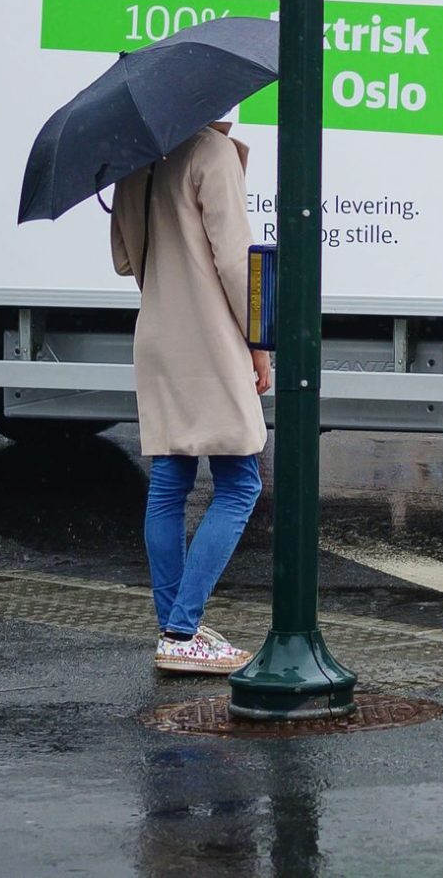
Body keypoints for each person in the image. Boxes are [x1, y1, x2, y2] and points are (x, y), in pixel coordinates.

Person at [110, 118, 273, 674]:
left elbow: (127, 259)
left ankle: (174, 631)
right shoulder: (211, 151)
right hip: (209, 337)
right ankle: (183, 629)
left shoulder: (139, 156)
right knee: (240, 482)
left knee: (170, 481)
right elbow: (237, 260)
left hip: (158, 331)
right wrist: (260, 344)